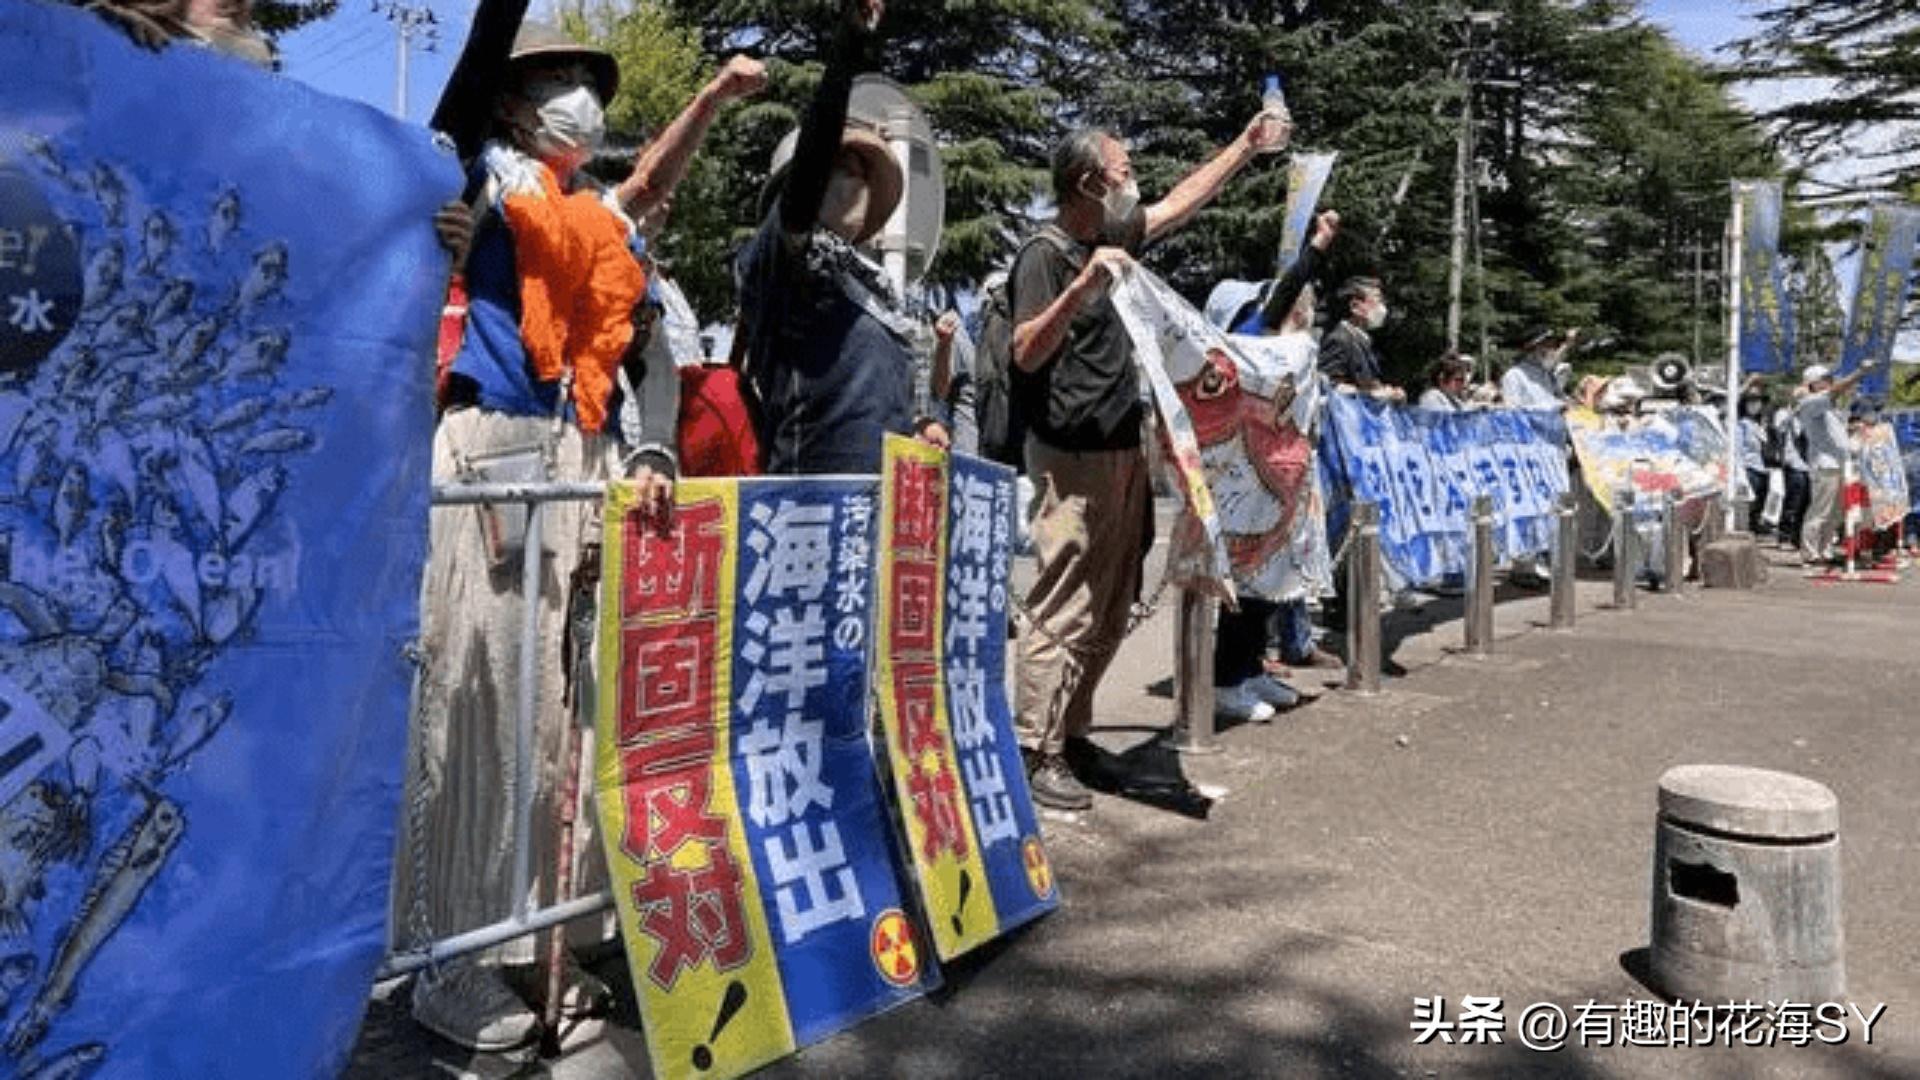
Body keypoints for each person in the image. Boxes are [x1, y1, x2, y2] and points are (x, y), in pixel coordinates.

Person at [401, 25, 767, 1052]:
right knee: (477, 713)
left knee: (570, 722)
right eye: (555, 82)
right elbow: (455, 120)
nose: (577, 98)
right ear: (511, 105)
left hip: (582, 455)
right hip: (493, 456)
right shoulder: (475, 182)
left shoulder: (592, 219)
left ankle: (541, 943)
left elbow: (645, 185)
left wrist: (713, 98)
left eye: (581, 82)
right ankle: (450, 964)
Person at [1007, 110, 1292, 811]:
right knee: (1062, 604)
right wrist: (1081, 290)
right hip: (1066, 463)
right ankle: (1029, 747)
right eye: (1123, 173)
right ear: (1086, 183)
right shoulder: (1044, 255)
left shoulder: (1114, 237)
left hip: (1122, 452)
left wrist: (1244, 147)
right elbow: (1024, 351)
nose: (1134, 184)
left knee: (1110, 604)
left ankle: (1070, 736)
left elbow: (1180, 203)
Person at [735, 0, 947, 475]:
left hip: (881, 503)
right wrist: (849, 43)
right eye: (841, 166)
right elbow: (810, 165)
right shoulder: (785, 260)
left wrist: (921, 425)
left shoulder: (877, 287)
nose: (853, 179)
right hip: (809, 505)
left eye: (862, 172)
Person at [1202, 209, 1347, 708]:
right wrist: (1316, 251)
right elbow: (1283, 295)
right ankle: (1225, 681)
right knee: (1243, 588)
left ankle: (1250, 670)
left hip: (1277, 483)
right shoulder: (1248, 343)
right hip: (1244, 482)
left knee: (1270, 584)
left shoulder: (1286, 350)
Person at [1795, 361, 1875, 565]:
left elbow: (1836, 434)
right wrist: (1859, 372)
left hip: (1841, 464)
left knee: (1836, 513)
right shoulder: (1810, 403)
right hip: (1825, 466)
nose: (1830, 382)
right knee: (1820, 510)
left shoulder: (1829, 408)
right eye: (1826, 379)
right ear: (1814, 384)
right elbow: (1836, 391)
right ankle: (1810, 551)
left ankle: (1824, 549)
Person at [1319, 277, 1404, 399]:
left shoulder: (1361, 339)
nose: (1383, 307)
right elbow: (1326, 387)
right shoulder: (1339, 339)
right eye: (1378, 299)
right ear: (1355, 307)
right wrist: (1372, 394)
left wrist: (1388, 392)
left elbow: (1365, 384)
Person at [1501, 327, 1576, 410]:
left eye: (1553, 346)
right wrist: (1555, 407)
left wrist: (1567, 402)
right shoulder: (1514, 375)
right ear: (1530, 349)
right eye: (1546, 345)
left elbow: (1557, 399)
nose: (1552, 350)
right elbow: (1512, 412)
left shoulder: (1547, 374)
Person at [1773, 398, 1811, 549]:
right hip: (1793, 463)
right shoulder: (1786, 416)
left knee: (1806, 502)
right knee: (1793, 501)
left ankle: (1797, 536)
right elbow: (1779, 429)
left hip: (1809, 465)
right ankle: (1785, 535)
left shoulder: (1811, 418)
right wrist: (1793, 413)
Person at [1737, 393, 1772, 537]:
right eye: (1751, 401)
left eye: (1758, 402)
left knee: (1761, 500)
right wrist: (1740, 470)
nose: (1755, 405)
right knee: (1751, 500)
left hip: (1763, 468)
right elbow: (1737, 448)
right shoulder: (1742, 424)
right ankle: (1747, 527)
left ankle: (1755, 524)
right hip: (1749, 467)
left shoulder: (1759, 424)